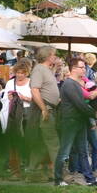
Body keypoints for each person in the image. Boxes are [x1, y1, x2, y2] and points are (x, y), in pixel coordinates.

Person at [55, 56, 97, 187]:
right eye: (82, 67)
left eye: (84, 67)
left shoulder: (76, 84)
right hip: (70, 122)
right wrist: (94, 114)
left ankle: (89, 178)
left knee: (83, 151)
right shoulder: (69, 84)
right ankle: (58, 179)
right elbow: (80, 104)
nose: (84, 70)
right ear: (74, 69)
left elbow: (83, 104)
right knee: (65, 151)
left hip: (80, 121)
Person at [28, 46, 61, 176]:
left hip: (50, 108)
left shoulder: (46, 69)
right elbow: (34, 90)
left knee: (41, 144)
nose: (55, 57)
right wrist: (44, 109)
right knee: (54, 143)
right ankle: (59, 173)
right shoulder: (39, 69)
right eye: (54, 55)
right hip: (44, 110)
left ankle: (32, 172)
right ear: (47, 56)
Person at [1, 58, 34, 177]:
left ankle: (29, 166)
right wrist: (9, 98)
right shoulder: (11, 83)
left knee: (28, 141)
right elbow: (4, 98)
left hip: (28, 114)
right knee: (15, 141)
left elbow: (36, 99)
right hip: (15, 114)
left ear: (27, 72)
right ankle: (15, 168)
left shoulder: (32, 82)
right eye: (18, 72)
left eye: (22, 73)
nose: (19, 75)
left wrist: (25, 98)